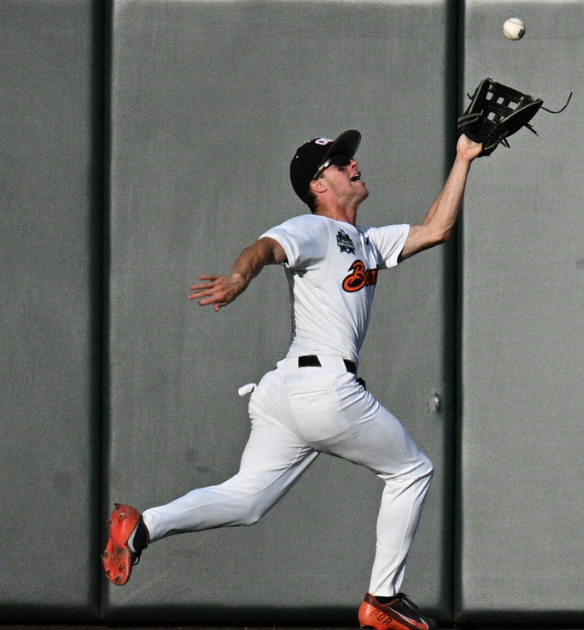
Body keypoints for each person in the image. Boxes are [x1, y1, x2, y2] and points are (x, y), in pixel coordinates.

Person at [102, 129, 483, 630]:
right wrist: (239, 277)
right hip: (325, 389)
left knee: (248, 500)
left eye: (349, 157)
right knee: (412, 471)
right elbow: (264, 247)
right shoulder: (313, 228)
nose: (353, 164)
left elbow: (437, 228)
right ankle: (383, 598)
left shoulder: (368, 241)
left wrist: (464, 157)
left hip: (285, 392)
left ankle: (143, 526)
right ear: (317, 185)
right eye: (340, 161)